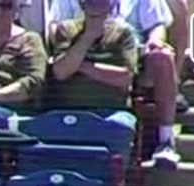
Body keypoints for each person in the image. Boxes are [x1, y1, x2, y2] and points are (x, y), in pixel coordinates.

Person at [49, 0, 181, 166]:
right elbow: (54, 28)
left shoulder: (124, 31)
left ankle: (165, 141)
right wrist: (79, 45)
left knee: (163, 57)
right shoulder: (67, 22)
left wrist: (79, 65)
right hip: (77, 46)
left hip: (132, 52)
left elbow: (157, 25)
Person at [45, 0, 142, 152]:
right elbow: (61, 72)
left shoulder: (124, 34)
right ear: (82, 4)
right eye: (91, 1)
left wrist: (80, 66)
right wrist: (88, 37)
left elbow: (125, 77)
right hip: (70, 110)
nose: (96, 5)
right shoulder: (66, 30)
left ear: (111, 5)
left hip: (111, 110)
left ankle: (115, 175)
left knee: (121, 127)